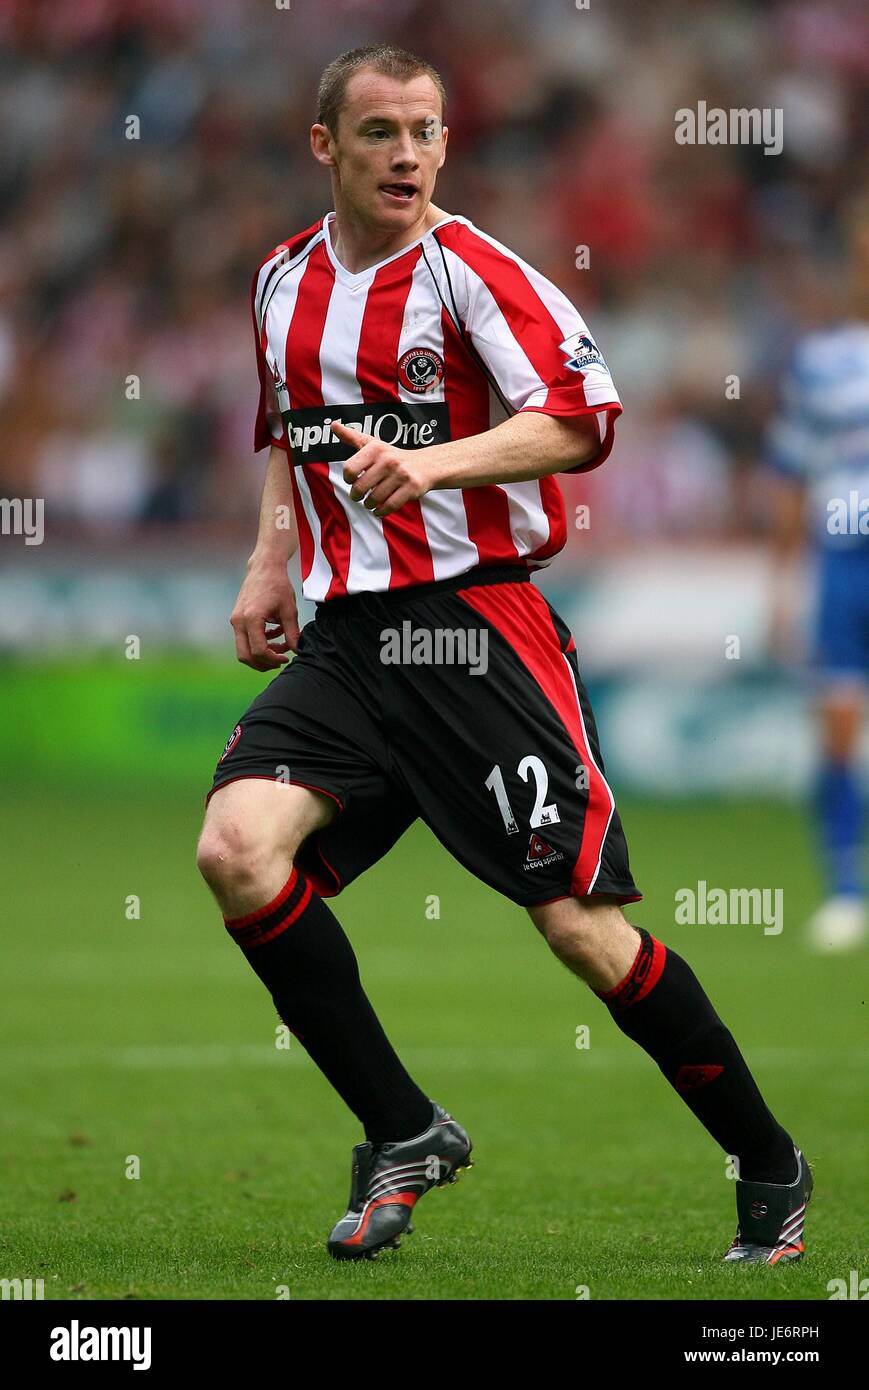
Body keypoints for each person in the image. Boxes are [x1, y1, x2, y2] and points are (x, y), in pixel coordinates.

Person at [196, 44, 811, 1263]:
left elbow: (581, 423)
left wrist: (427, 463)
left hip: (477, 630)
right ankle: (403, 1125)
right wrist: (270, 562)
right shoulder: (281, 279)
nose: (408, 154)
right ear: (325, 146)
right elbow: (292, 437)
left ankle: (764, 1156)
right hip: (349, 640)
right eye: (379, 132)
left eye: (425, 130)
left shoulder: (473, 271)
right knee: (236, 849)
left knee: (582, 930)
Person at [767, 193, 869, 952]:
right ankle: (843, 888)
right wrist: (781, 583)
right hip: (842, 561)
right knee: (835, 728)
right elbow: (793, 478)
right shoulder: (821, 359)